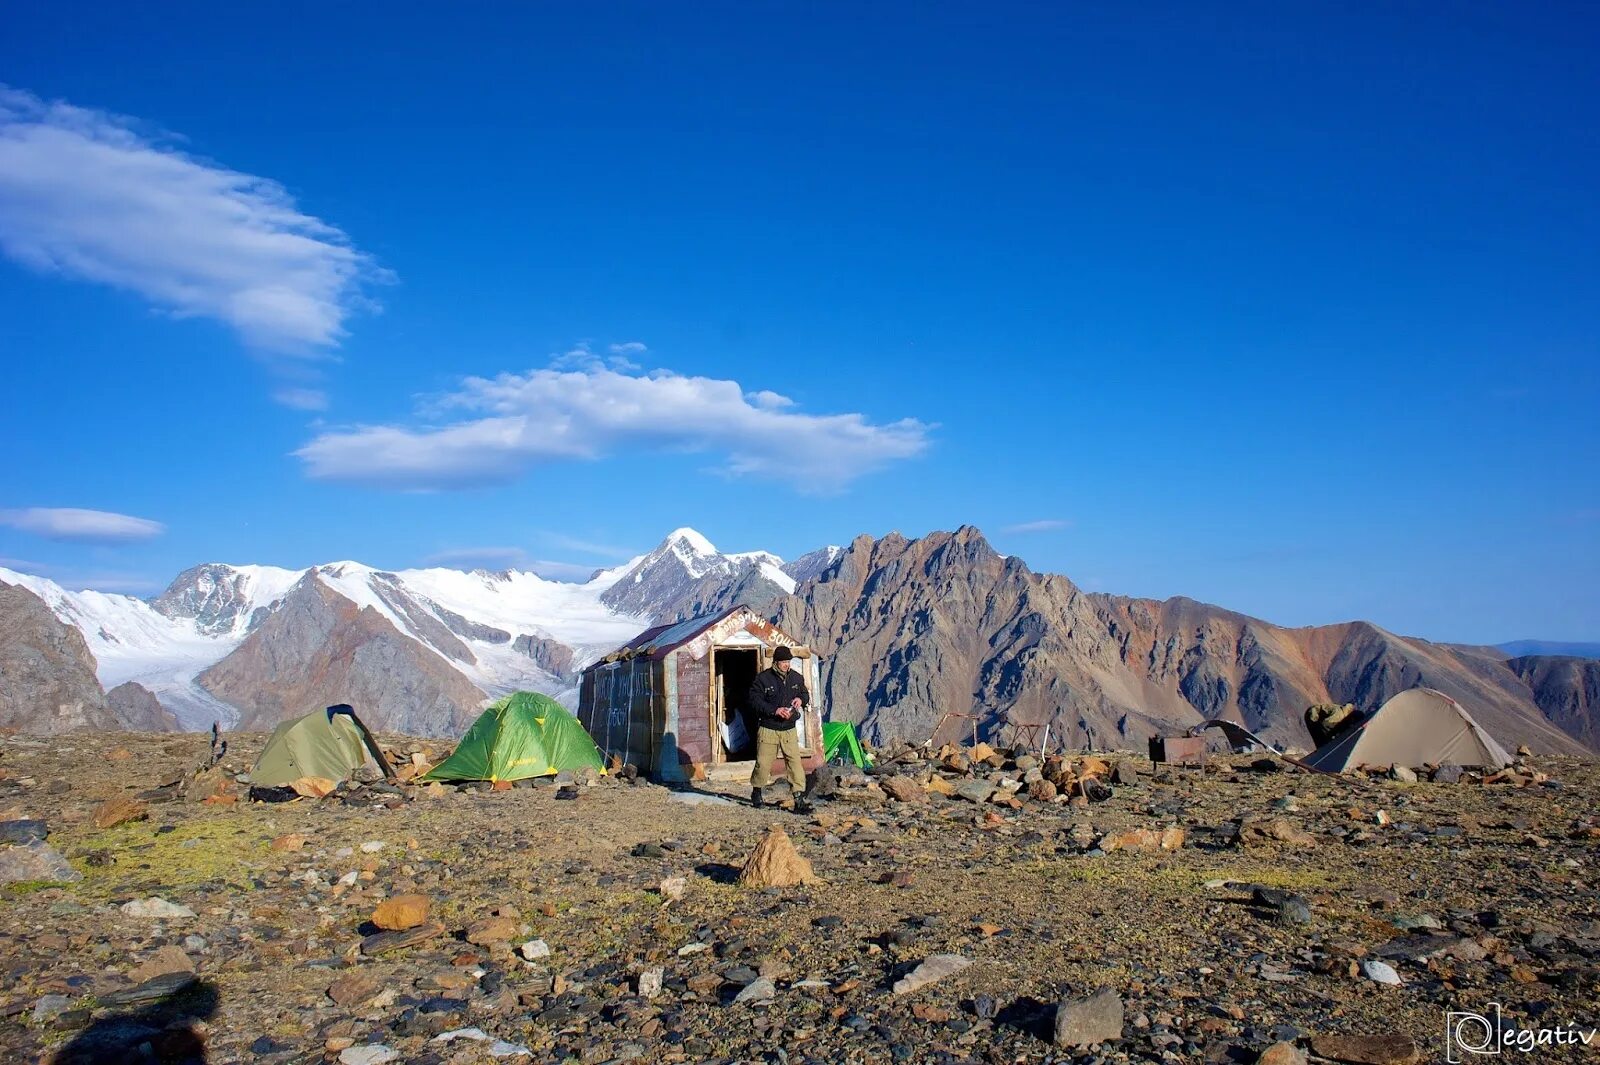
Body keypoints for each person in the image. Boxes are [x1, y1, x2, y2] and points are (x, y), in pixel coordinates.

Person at [747, 645, 812, 813]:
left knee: (795, 763)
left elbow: (805, 694)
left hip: (789, 728)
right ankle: (757, 792)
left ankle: (798, 798)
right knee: (763, 763)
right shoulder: (763, 679)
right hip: (768, 727)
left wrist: (800, 699)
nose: (787, 665)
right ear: (776, 662)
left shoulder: (796, 678)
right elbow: (754, 700)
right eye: (783, 662)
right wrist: (773, 710)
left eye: (788, 661)